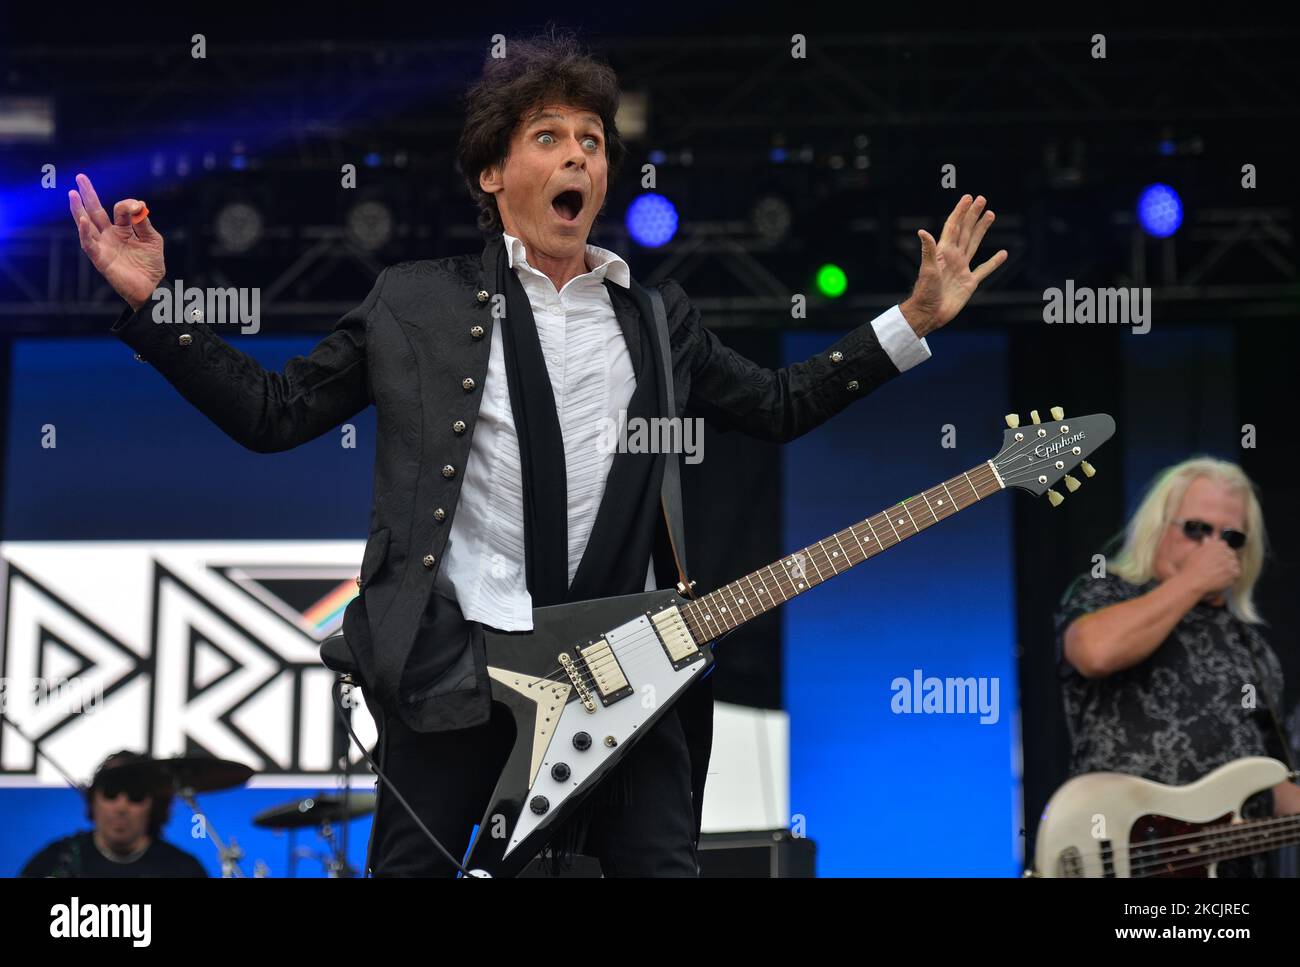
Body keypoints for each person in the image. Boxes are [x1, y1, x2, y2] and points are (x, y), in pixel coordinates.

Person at [68, 29, 1006, 876]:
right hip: (455, 668)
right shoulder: (415, 302)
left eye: (593, 142)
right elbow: (275, 414)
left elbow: (778, 403)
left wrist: (911, 320)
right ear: (491, 172)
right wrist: (157, 310)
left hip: (629, 673)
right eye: (550, 137)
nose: (579, 157)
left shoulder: (655, 316)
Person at [1056, 457, 1300, 876]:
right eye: (1196, 530)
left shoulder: (1253, 648)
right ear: (1158, 527)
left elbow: (1268, 782)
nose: (1214, 548)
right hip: (1120, 852)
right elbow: (1095, 652)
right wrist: (1191, 581)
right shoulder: (1105, 592)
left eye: (1232, 537)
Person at [20, 751, 208, 877]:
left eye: (135, 796)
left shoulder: (181, 869)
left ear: (154, 806)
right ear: (94, 800)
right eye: (111, 793)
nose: (121, 807)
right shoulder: (57, 860)